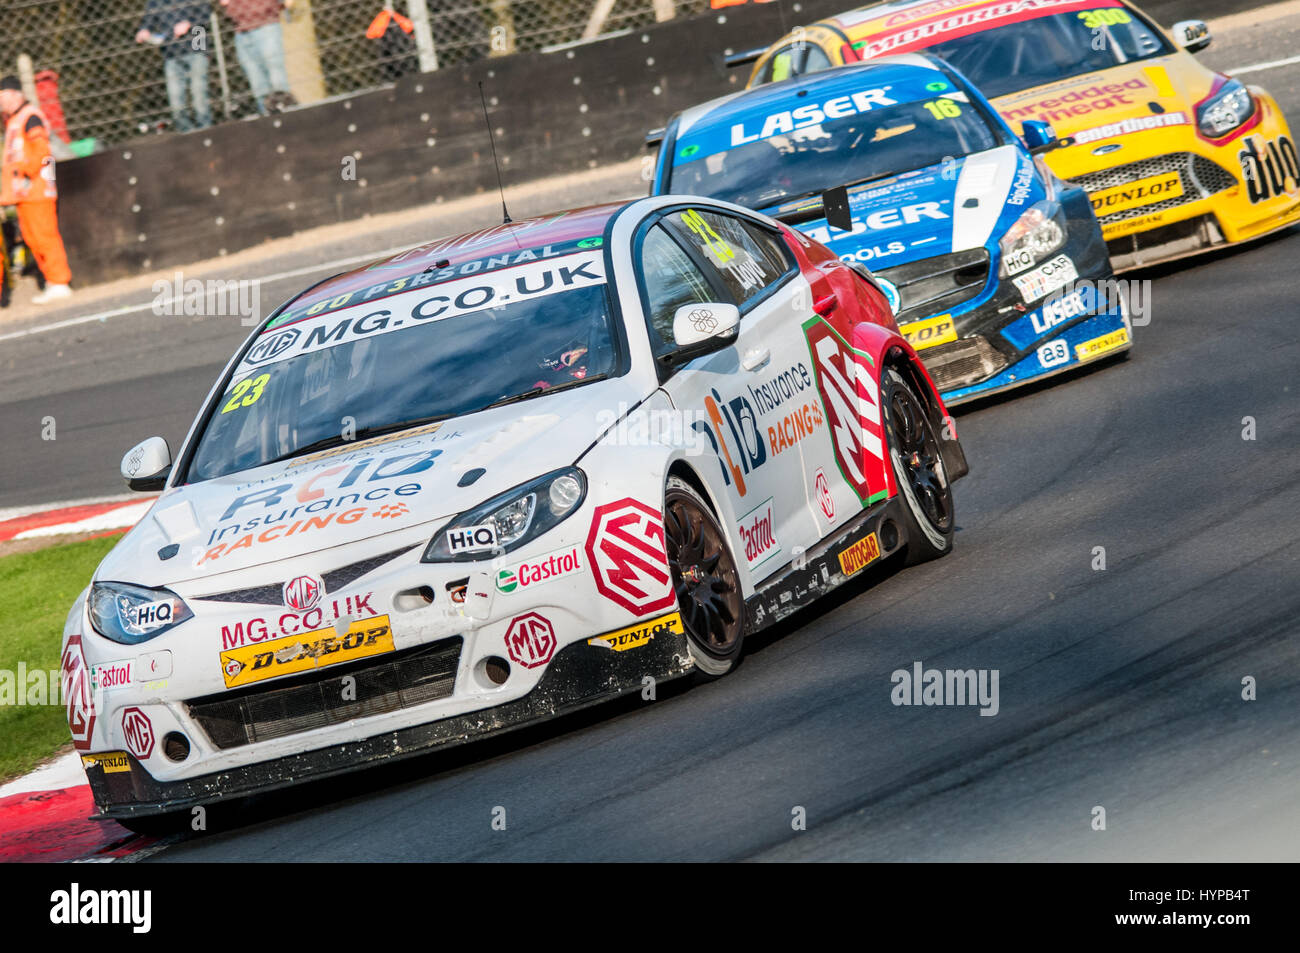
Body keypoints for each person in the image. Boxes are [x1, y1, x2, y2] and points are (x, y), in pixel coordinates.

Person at [0, 76, 73, 304]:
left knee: (45, 236)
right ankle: (52, 282)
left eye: (2, 97)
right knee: (33, 238)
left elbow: (42, 153)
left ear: (14, 95)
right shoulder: (13, 120)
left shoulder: (30, 117)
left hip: (37, 189)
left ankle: (60, 281)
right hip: (24, 192)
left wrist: (22, 171)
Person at [136, 1, 213, 133]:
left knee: (199, 93)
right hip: (171, 52)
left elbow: (205, 13)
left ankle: (205, 130)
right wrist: (144, 30)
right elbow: (148, 19)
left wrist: (189, 23)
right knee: (176, 99)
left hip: (197, 45)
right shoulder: (155, 2)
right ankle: (186, 133)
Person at [221, 0, 296, 115]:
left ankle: (287, 115)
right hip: (241, 30)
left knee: (277, 78)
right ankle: (267, 120)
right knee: (257, 83)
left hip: (266, 24)